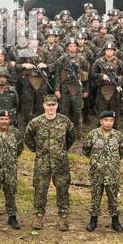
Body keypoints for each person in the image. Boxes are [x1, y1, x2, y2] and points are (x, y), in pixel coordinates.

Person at [24, 94, 77, 230]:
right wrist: (37, 150)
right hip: (42, 162)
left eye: (53, 105)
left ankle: (63, 217)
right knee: (40, 189)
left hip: (60, 163)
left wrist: (62, 150)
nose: (51, 107)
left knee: (62, 189)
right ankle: (38, 216)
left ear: (57, 106)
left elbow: (71, 137)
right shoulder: (35, 122)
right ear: (44, 106)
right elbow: (28, 137)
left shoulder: (65, 121)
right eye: (48, 105)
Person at [81, 109, 123, 232]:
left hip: (112, 173)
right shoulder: (93, 135)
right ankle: (93, 220)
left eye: (111, 120)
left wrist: (112, 163)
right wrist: (97, 162)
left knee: (113, 198)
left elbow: (122, 152)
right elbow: (86, 150)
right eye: (106, 120)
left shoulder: (118, 136)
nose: (108, 123)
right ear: (101, 121)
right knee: (95, 197)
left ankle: (115, 221)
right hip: (97, 173)